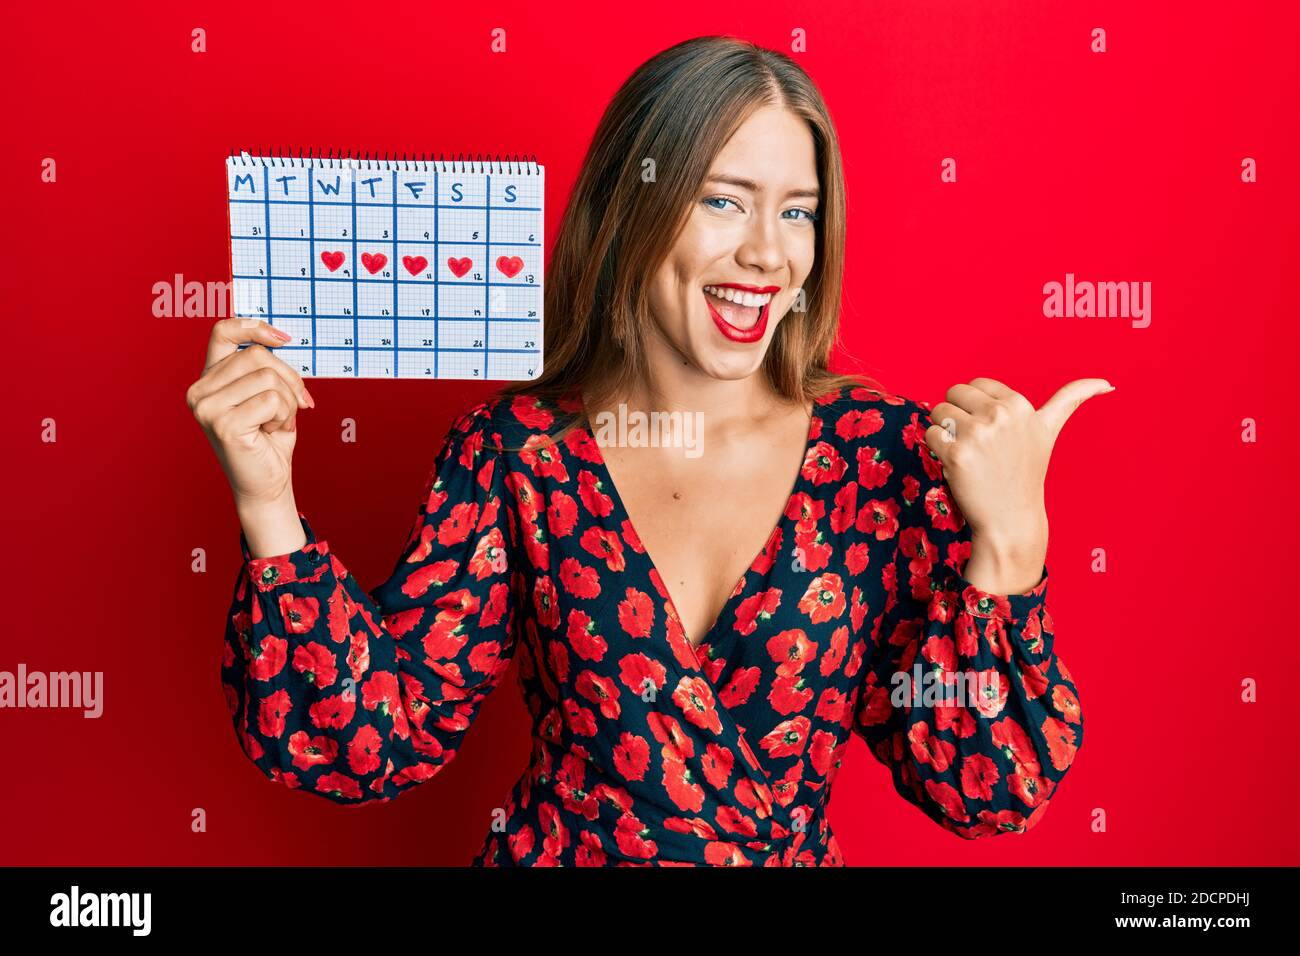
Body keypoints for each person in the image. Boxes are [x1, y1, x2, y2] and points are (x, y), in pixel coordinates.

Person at [187, 35, 1100, 866]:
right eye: (722, 200)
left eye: (797, 213)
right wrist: (269, 506)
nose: (766, 254)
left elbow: (987, 789)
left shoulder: (884, 461)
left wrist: (1012, 549)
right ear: (634, 205)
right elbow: (367, 743)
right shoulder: (517, 453)